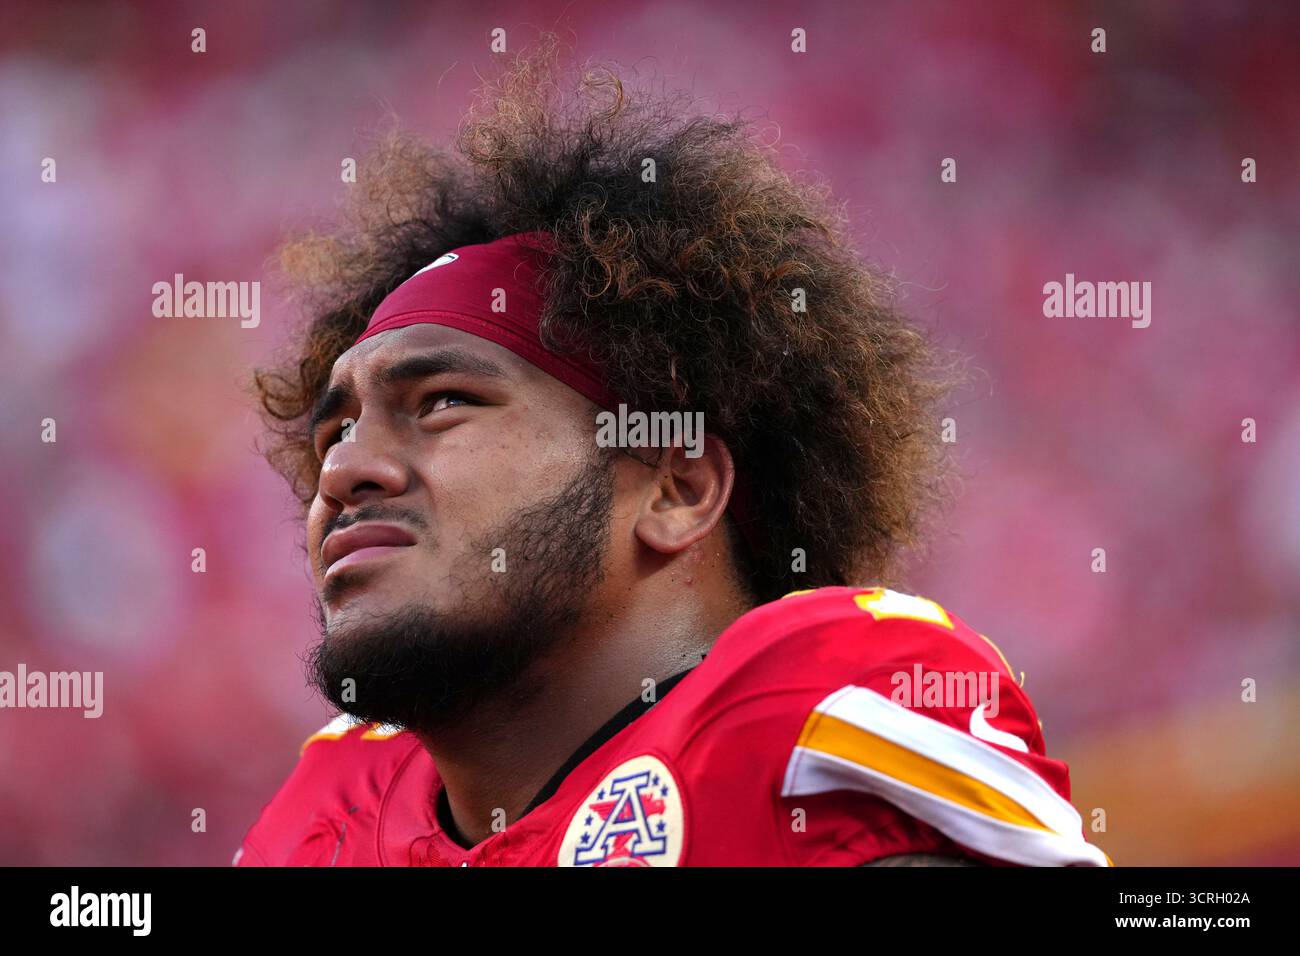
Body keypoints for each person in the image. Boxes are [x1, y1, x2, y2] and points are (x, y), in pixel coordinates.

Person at [238, 38, 1108, 867]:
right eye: (333, 434)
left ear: (676, 488)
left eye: (443, 403)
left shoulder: (809, 724)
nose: (346, 472)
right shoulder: (324, 817)